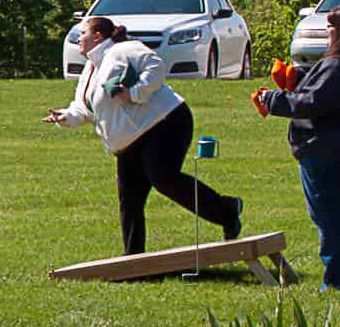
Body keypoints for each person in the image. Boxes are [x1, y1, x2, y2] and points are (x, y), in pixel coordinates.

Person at [45, 15, 243, 255]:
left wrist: (135, 93)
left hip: (166, 122)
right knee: (129, 200)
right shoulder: (90, 69)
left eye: (83, 34)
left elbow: (156, 66)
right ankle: (133, 260)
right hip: (130, 140)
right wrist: (65, 116)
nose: (79, 39)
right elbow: (84, 109)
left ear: (98, 36)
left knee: (163, 178)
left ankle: (228, 210)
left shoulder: (124, 49)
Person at [253, 4, 340, 289]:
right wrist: (299, 78)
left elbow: (312, 103)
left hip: (328, 148)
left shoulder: (338, 65)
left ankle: (338, 281)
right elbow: (329, 92)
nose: (327, 31)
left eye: (331, 26)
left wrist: (271, 99)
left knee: (328, 217)